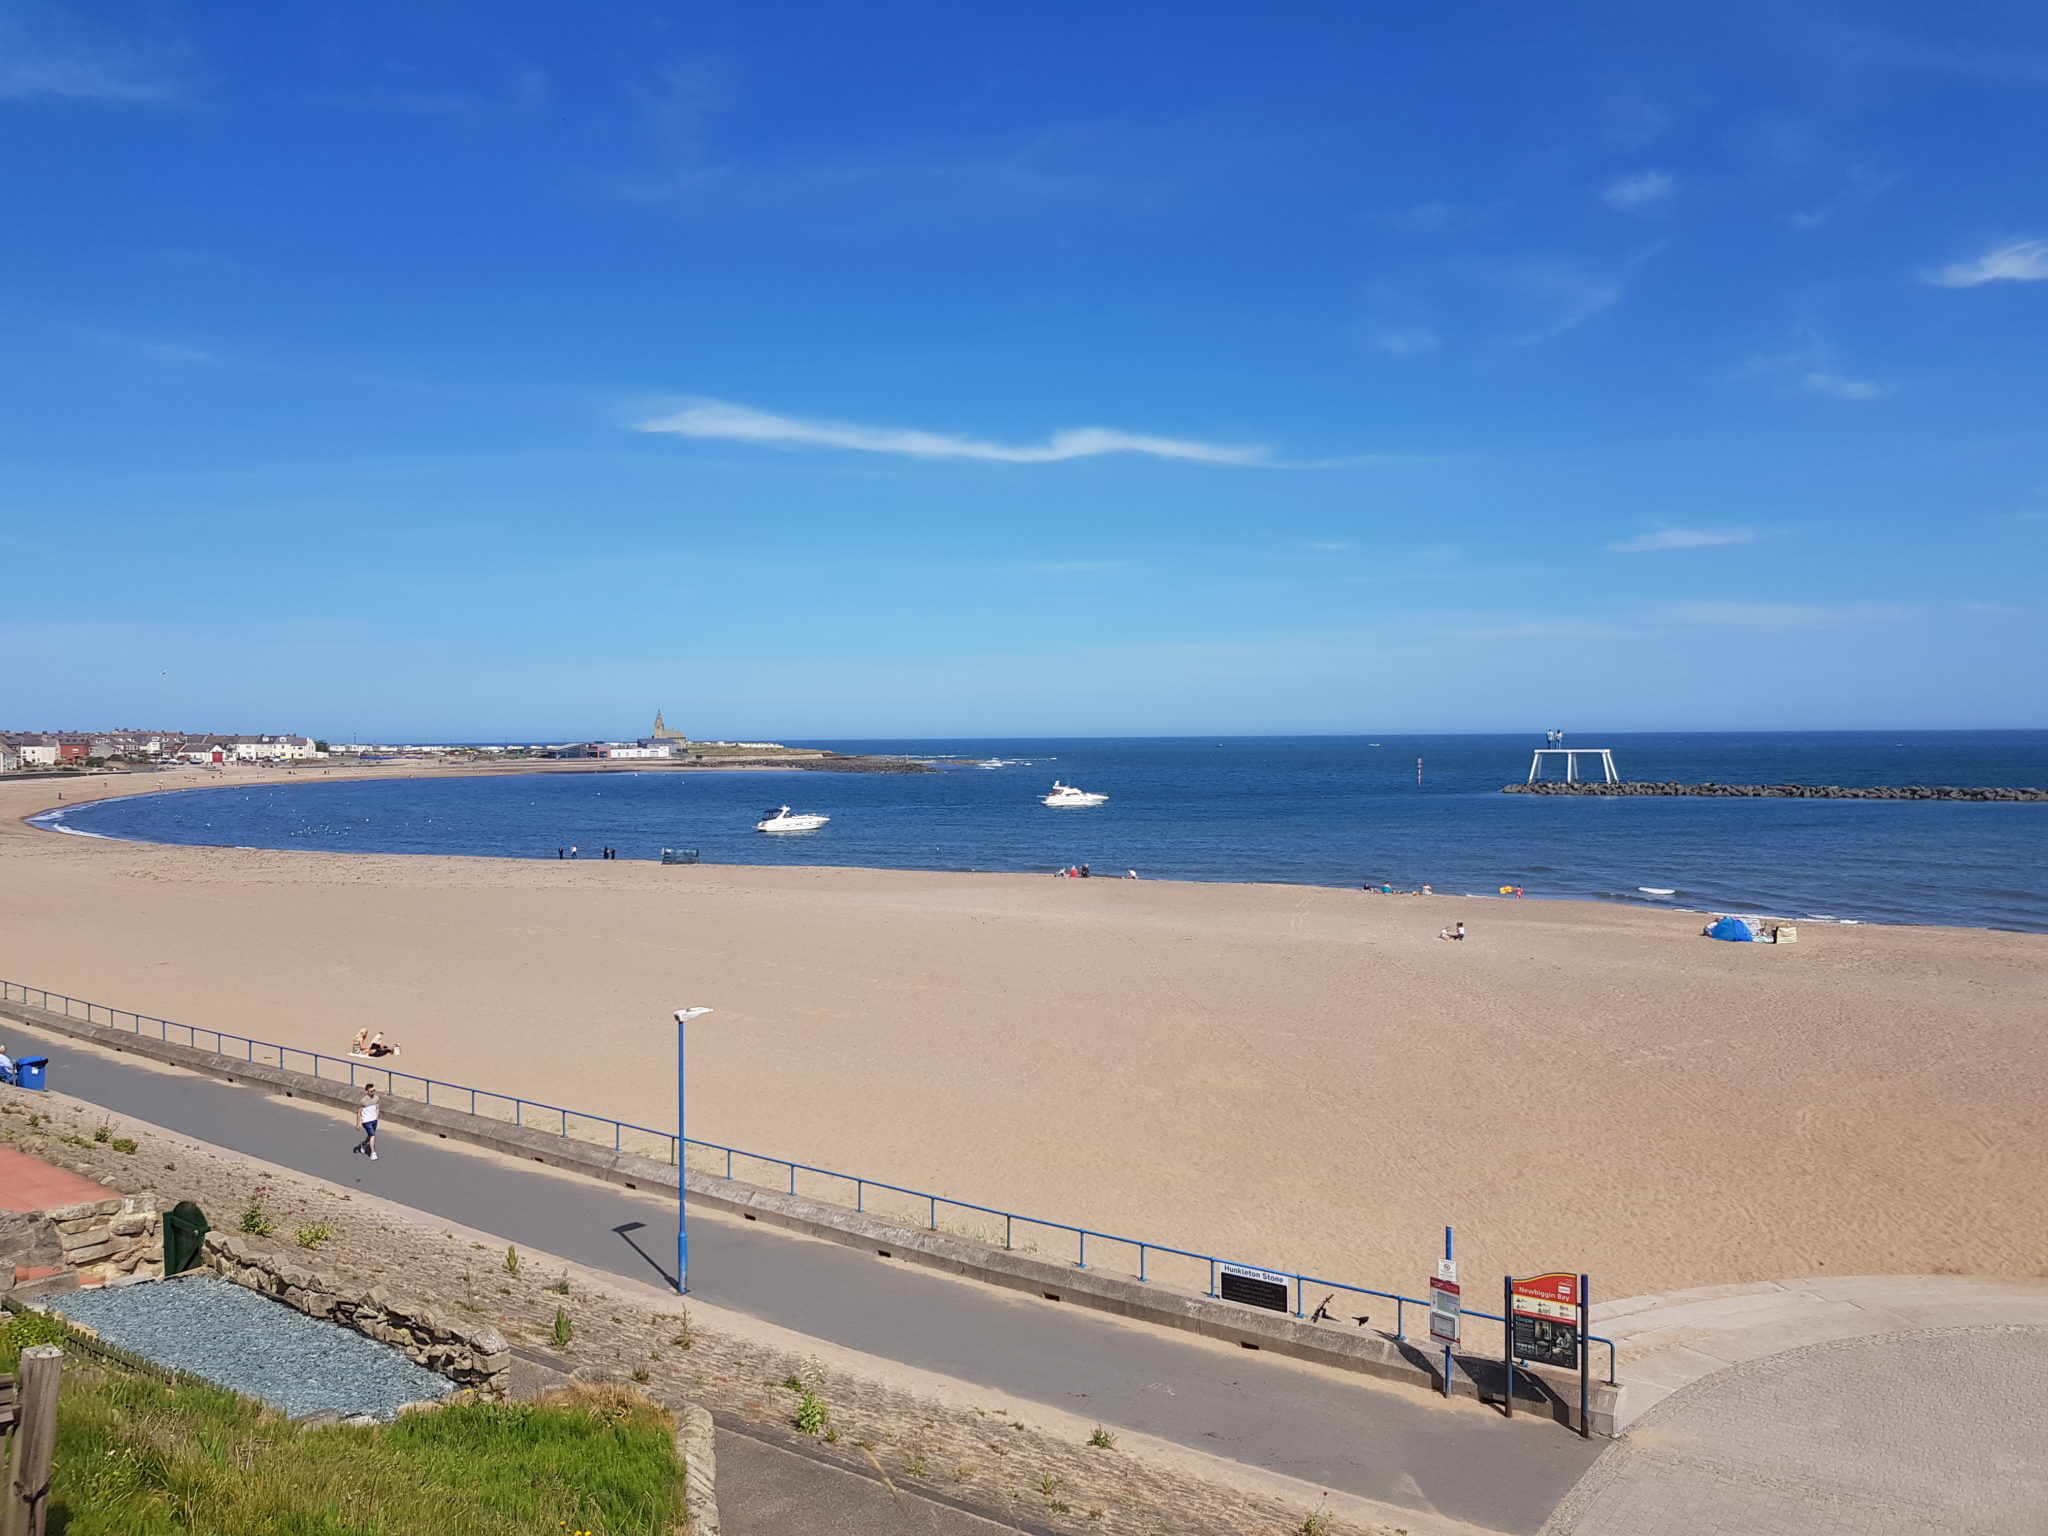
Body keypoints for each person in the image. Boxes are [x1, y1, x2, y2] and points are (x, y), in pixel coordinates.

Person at [354, 1085, 380, 1160]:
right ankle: (373, 1153)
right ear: (367, 1091)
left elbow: (377, 1107)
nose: (373, 1092)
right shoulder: (363, 1101)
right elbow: (358, 1112)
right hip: (366, 1121)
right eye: (371, 1091)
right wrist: (358, 1124)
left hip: (374, 1120)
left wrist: (376, 1117)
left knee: (370, 1135)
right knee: (373, 1135)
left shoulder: (376, 1098)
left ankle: (363, 1144)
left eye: (374, 1090)